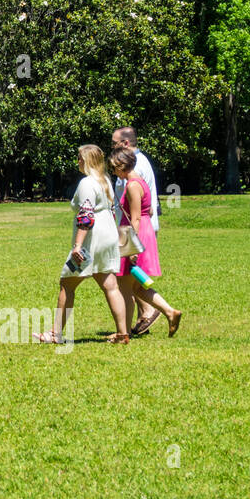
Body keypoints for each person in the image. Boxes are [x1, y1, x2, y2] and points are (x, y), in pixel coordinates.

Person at [34, 145, 130, 345]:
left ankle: (55, 334)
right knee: (110, 285)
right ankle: (122, 334)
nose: (77, 161)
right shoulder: (105, 181)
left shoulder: (87, 183)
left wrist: (77, 246)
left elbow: (86, 216)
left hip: (91, 240)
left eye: (79, 158)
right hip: (108, 235)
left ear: (86, 160)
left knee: (67, 283)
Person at [110, 148, 183, 337]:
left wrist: (131, 248)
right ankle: (170, 312)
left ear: (121, 166)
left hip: (135, 235)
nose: (113, 172)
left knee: (125, 287)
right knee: (136, 287)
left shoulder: (133, 185)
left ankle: (122, 333)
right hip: (143, 232)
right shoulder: (140, 182)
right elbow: (149, 210)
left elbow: (135, 218)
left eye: (114, 168)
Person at [111, 126, 160, 328]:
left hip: (134, 229)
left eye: (114, 143)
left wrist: (132, 242)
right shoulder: (137, 162)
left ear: (126, 143)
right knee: (130, 276)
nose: (111, 147)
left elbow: (137, 212)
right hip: (133, 227)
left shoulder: (134, 168)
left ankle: (151, 311)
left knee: (125, 277)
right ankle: (144, 315)